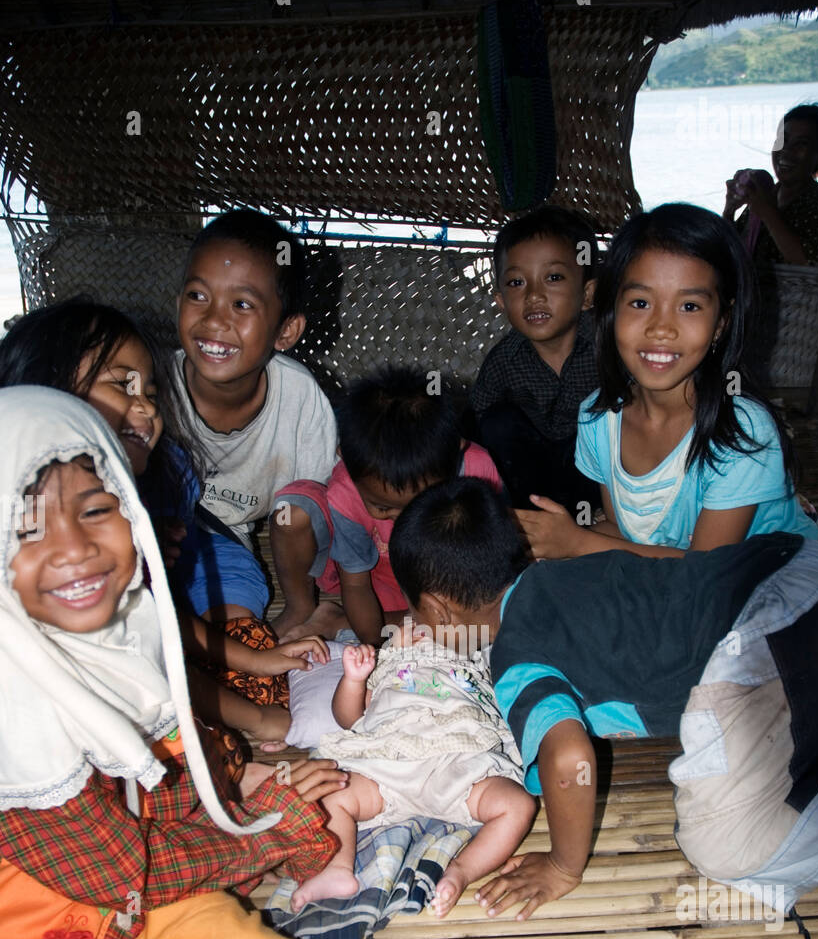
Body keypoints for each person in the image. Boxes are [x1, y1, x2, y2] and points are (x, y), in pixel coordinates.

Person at [0, 389, 671, 939]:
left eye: (94, 508)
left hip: (149, 898)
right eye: (27, 528)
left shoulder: (125, 626)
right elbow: (114, 863)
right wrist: (270, 829)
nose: (76, 550)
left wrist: (258, 781)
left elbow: (182, 763)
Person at [390, 478, 818, 923]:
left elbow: (571, 758)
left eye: (416, 613)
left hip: (771, 633)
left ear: (436, 607)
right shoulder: (565, 569)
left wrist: (562, 866)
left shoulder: (518, 655)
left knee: (722, 848)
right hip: (813, 571)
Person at [0, 299, 327, 747]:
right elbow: (145, 652)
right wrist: (258, 719)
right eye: (123, 385)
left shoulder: (142, 484)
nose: (148, 408)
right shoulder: (35, 529)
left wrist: (256, 661)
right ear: (46, 390)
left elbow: (150, 614)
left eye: (151, 393)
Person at [517, 203, 818, 563]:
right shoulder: (598, 419)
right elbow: (626, 534)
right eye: (641, 302)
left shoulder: (743, 431)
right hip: (673, 573)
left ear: (721, 323)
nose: (661, 328)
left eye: (689, 307)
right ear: (612, 311)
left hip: (766, 575)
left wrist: (578, 543)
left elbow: (706, 570)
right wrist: (555, 542)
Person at [172, 209, 343, 639]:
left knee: (231, 639)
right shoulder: (153, 385)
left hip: (227, 539)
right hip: (148, 532)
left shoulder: (301, 399)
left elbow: (311, 508)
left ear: (285, 331)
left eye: (242, 304)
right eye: (197, 295)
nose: (213, 320)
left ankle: (303, 607)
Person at [292, 632, 536, 916]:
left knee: (518, 806)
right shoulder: (387, 660)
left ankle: (460, 871)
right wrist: (353, 679)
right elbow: (349, 718)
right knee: (333, 791)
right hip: (387, 764)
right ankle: (338, 869)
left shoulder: (479, 657)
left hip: (459, 763)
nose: (427, 628)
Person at [274, 366, 502, 647]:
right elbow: (356, 584)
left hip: (439, 580)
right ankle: (309, 610)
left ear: (455, 456)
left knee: (477, 622)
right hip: (379, 580)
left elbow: (491, 564)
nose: (402, 520)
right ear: (345, 459)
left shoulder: (478, 473)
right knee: (290, 510)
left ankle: (337, 621)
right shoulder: (346, 495)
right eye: (383, 508)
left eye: (420, 504)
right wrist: (373, 647)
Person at [470, 204, 601, 514]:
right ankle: (525, 521)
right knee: (496, 423)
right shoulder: (503, 360)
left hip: (596, 474)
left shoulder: (610, 349)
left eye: (553, 277)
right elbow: (478, 420)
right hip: (532, 479)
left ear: (586, 295)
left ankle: (598, 520)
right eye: (517, 282)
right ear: (501, 300)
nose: (534, 295)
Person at [723, 104, 818, 268]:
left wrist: (767, 213)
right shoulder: (765, 196)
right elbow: (730, 252)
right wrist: (729, 211)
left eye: (801, 144)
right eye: (782, 140)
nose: (786, 150)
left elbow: (807, 262)